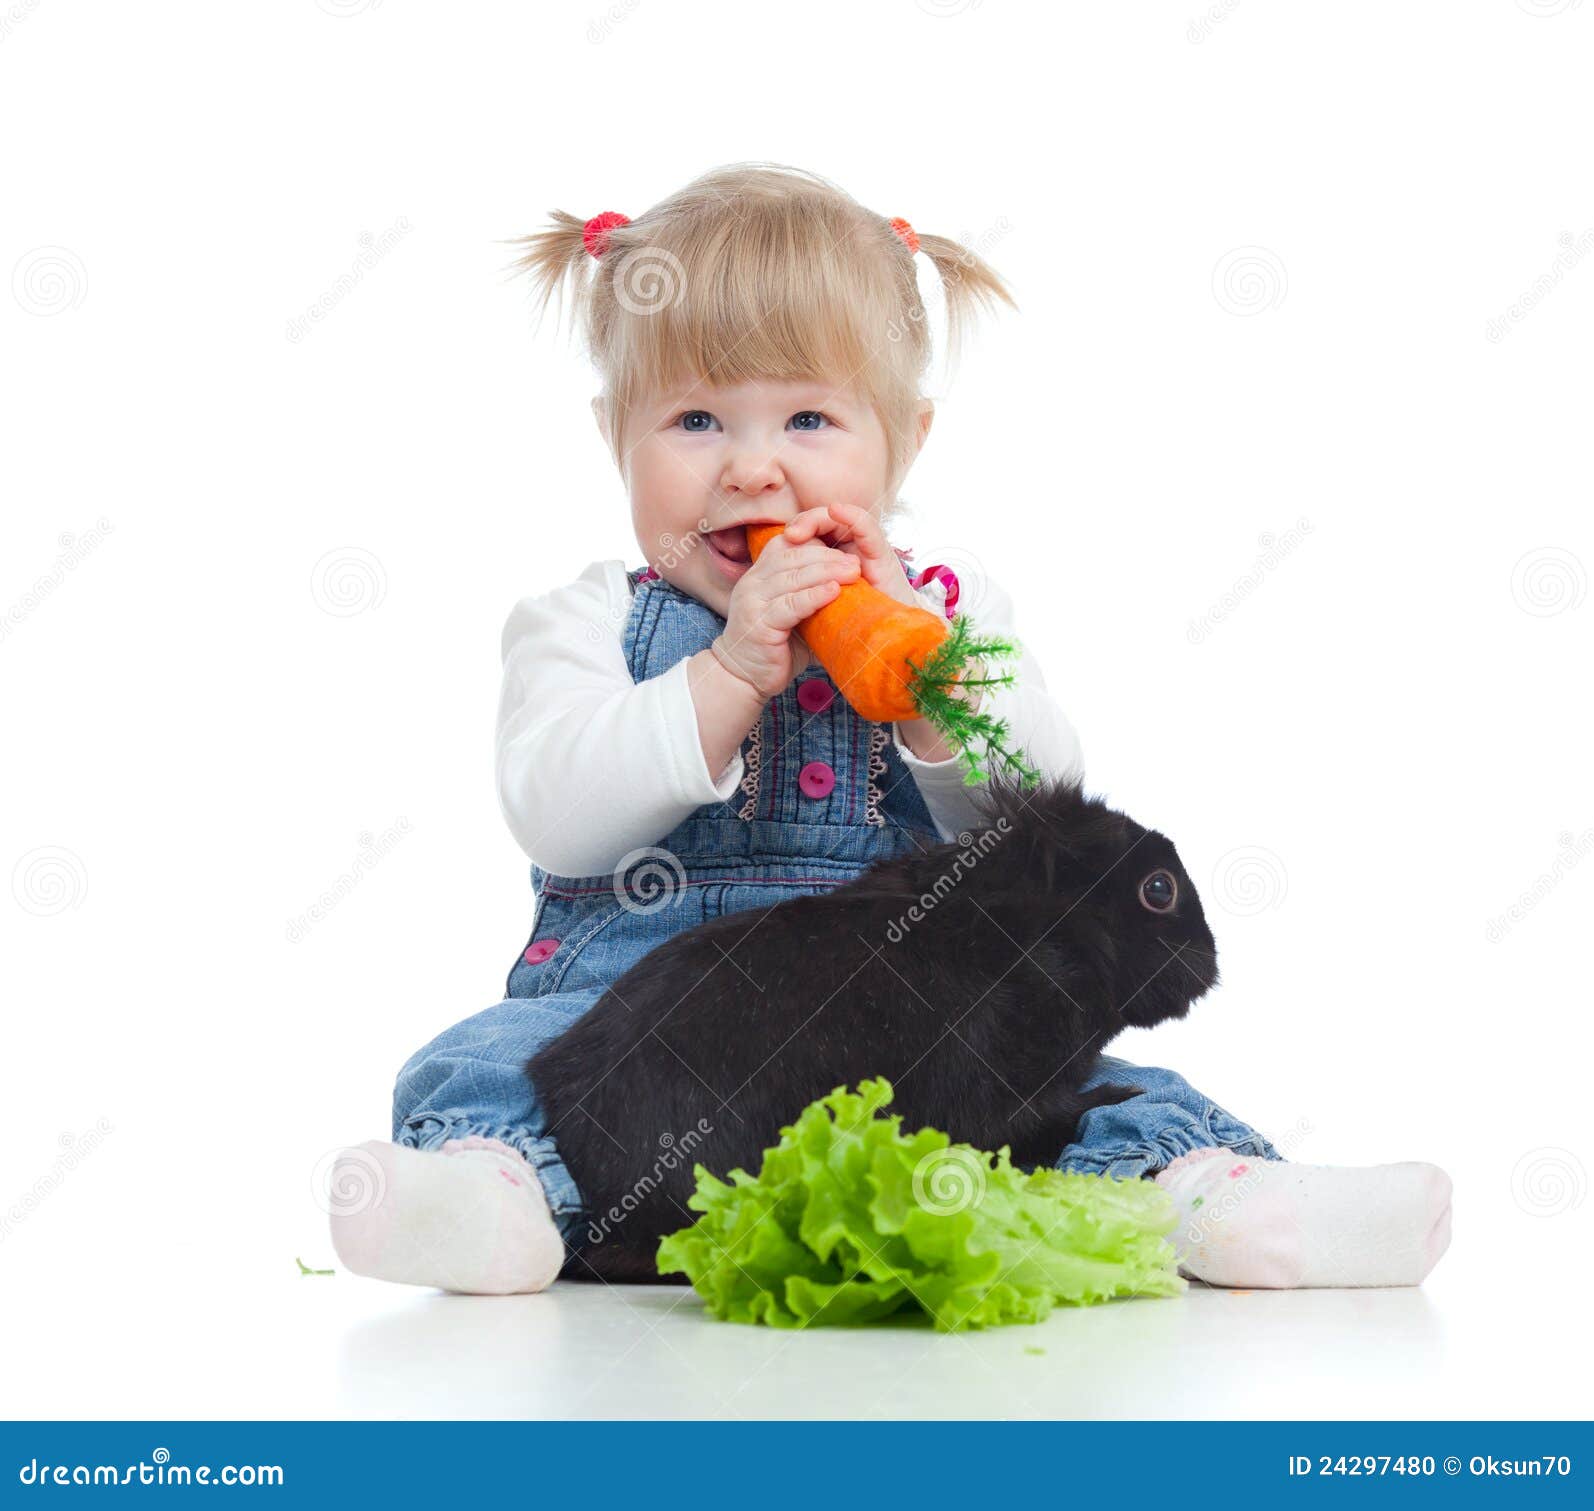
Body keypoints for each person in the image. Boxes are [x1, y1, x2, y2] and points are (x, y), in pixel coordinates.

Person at [329, 164, 1450, 1296]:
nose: (751, 464)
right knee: (479, 1060)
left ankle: (1215, 1196)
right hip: (633, 1042)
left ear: (903, 439)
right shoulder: (585, 621)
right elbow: (559, 815)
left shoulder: (951, 619)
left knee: (1100, 1083)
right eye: (695, 418)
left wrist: (929, 684)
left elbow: (1050, 803)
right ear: (614, 434)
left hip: (916, 1037)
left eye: (808, 418)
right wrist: (724, 674)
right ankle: (496, 1195)